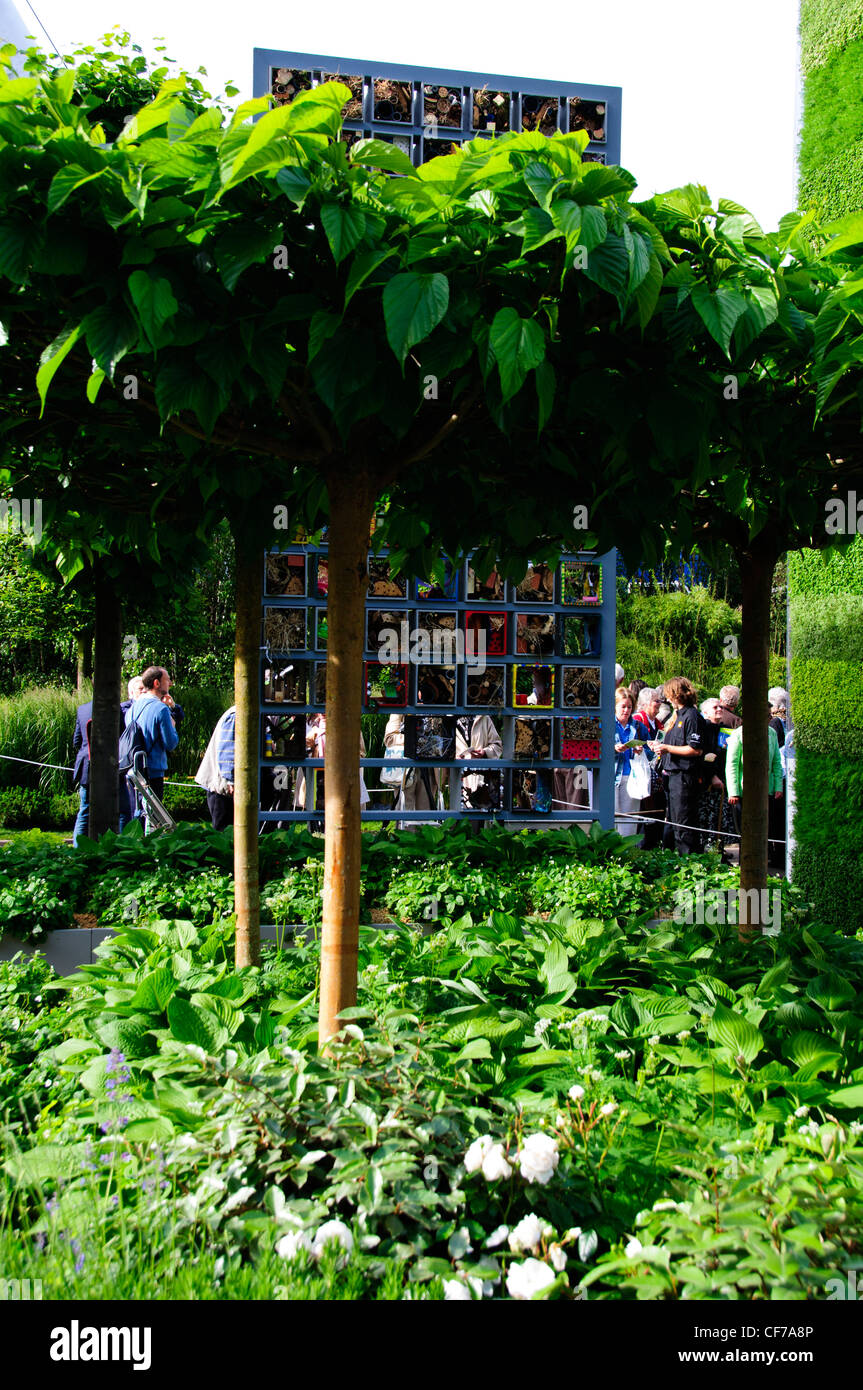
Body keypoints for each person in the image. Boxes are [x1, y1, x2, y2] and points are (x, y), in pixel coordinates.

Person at [72, 693, 135, 845]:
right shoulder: (115, 709)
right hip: (110, 767)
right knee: (123, 809)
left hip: (87, 764)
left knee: (85, 810)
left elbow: (77, 741)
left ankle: (77, 847)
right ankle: (121, 845)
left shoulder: (82, 709)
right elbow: (122, 737)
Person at [725, 714, 784, 860]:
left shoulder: (772, 733)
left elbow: (776, 761)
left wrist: (778, 786)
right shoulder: (738, 734)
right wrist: (733, 792)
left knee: (767, 826)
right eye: (766, 715)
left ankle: (767, 859)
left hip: (767, 788)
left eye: (769, 716)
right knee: (746, 828)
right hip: (744, 790)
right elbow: (732, 763)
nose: (768, 718)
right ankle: (746, 861)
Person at [656, 677, 703, 855]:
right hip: (673, 776)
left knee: (684, 824)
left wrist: (668, 748)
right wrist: (661, 748)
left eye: (669, 695)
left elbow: (695, 749)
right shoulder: (678, 716)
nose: (667, 699)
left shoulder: (691, 716)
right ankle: (681, 860)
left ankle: (689, 861)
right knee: (676, 822)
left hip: (685, 777)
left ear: (677, 694)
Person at [125, 666, 179, 809]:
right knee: (153, 818)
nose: (170, 684)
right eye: (167, 680)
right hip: (153, 770)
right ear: (157, 683)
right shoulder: (161, 709)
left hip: (133, 769)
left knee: (137, 815)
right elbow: (171, 743)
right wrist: (173, 724)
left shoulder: (131, 709)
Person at [385, 713, 438, 827]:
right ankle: (403, 842)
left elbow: (442, 738)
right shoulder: (400, 711)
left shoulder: (434, 708)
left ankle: (423, 843)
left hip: (429, 767)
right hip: (404, 767)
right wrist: (416, 741)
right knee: (404, 813)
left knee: (426, 816)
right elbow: (390, 739)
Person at [614, 686, 652, 837]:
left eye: (629, 707)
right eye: (623, 706)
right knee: (610, 816)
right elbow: (596, 748)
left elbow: (651, 751)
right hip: (611, 775)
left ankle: (627, 852)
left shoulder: (638, 726)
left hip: (631, 776)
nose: (626, 710)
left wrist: (641, 751)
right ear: (615, 706)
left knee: (629, 818)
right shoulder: (607, 724)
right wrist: (613, 748)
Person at [195, 706, 236, 830]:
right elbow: (227, 750)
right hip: (222, 789)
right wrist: (231, 781)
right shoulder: (236, 715)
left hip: (226, 788)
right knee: (222, 834)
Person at [633, 687, 665, 849]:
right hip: (642, 772)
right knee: (644, 808)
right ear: (645, 703)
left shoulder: (657, 723)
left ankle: (653, 843)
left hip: (656, 771)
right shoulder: (638, 720)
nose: (659, 704)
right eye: (656, 701)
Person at [456, 712, 502, 812]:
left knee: (481, 816)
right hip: (457, 778)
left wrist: (485, 752)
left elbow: (497, 746)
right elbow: (441, 747)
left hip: (481, 779)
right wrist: (453, 758)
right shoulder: (449, 719)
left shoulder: (484, 717)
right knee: (458, 817)